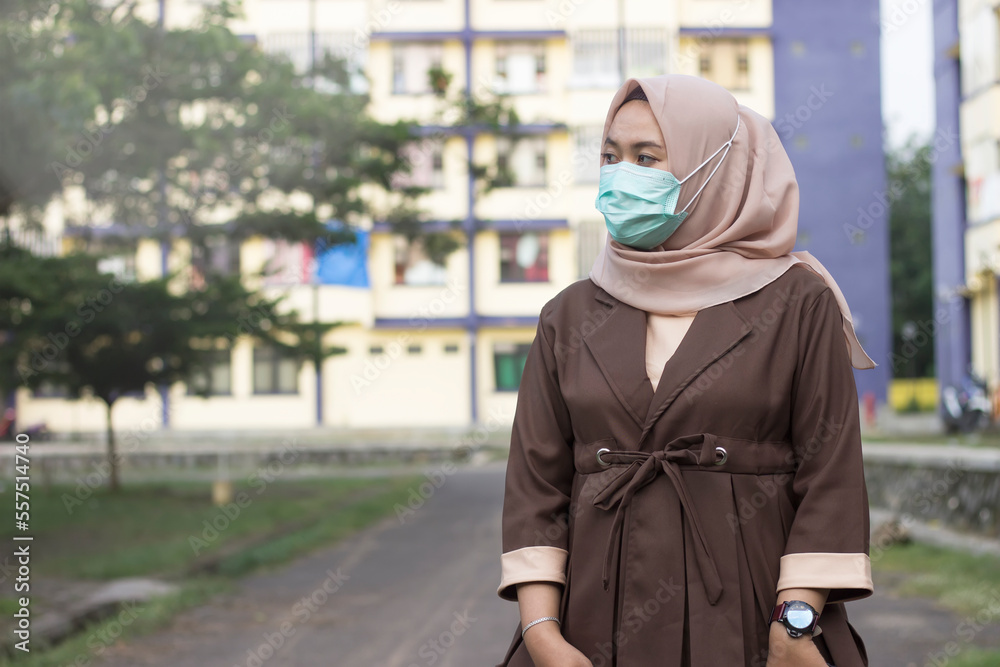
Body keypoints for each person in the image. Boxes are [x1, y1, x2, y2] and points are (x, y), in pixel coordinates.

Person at [495, 75, 875, 667]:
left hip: (755, 623)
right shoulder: (568, 315)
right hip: (590, 630)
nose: (624, 176)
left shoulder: (798, 302)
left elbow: (830, 477)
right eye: (610, 157)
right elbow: (536, 488)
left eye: (648, 158)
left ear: (716, 166)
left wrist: (793, 627)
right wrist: (543, 636)